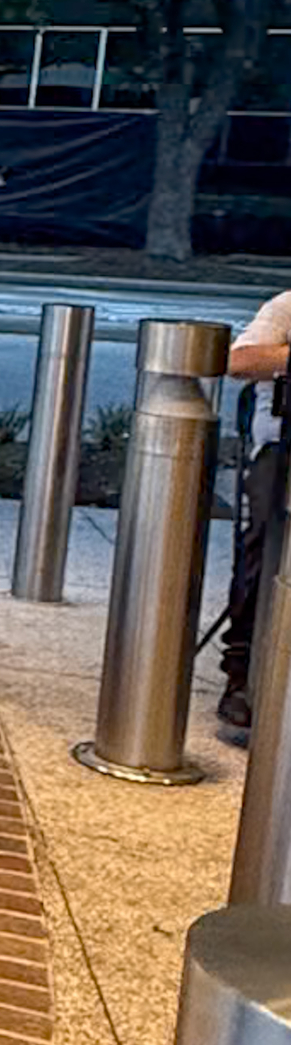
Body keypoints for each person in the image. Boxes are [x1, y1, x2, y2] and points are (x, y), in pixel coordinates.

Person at [222, 291, 291, 746]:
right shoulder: (286, 306)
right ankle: (242, 676)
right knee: (263, 548)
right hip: (280, 450)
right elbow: (240, 362)